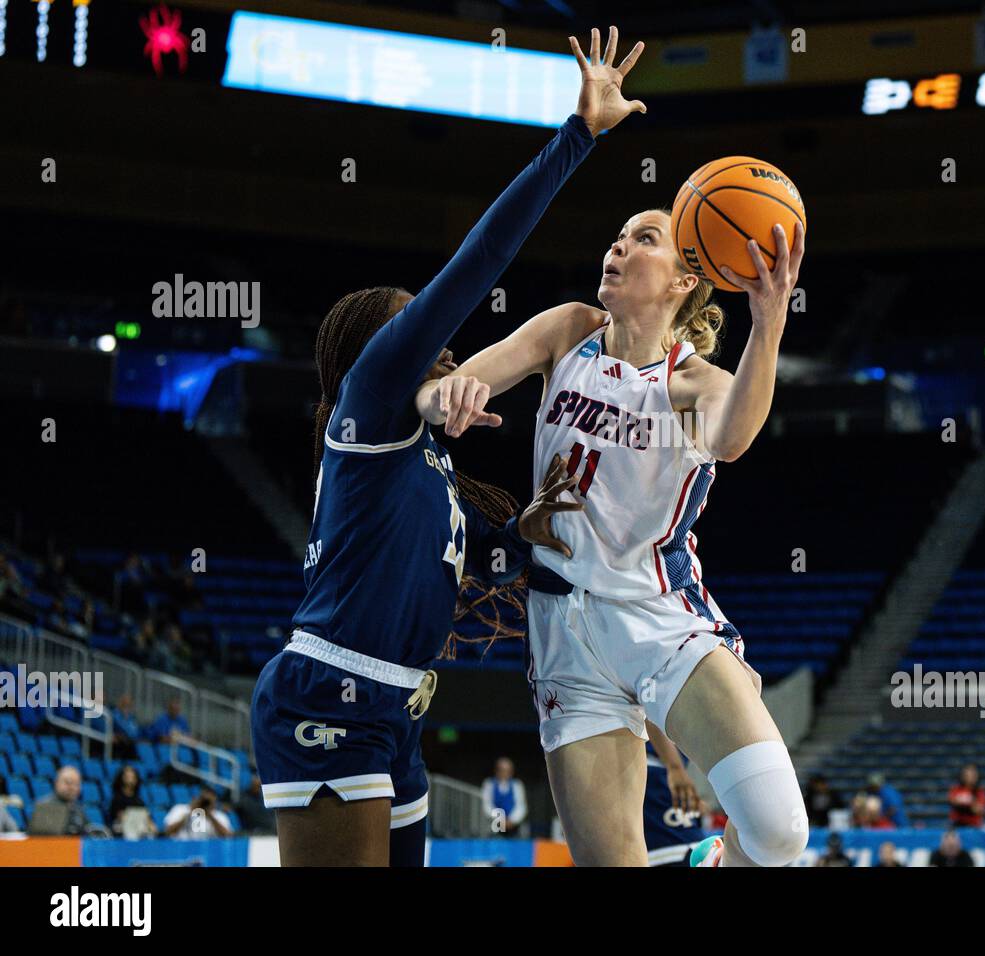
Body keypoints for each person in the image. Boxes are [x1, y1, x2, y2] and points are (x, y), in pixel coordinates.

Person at [249, 28, 646, 868]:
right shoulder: (371, 394)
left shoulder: (423, 462)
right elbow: (481, 260)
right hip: (331, 696)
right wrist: (578, 138)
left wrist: (527, 540)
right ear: (378, 344)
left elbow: (478, 570)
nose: (442, 341)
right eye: (412, 324)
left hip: (398, 711)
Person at [422, 168, 807, 868]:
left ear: (683, 280)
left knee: (779, 832)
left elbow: (731, 438)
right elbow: (451, 386)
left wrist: (770, 320)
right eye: (618, 235)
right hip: (563, 628)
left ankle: (711, 860)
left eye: (644, 238)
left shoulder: (692, 383)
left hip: (660, 618)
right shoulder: (570, 331)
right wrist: (448, 397)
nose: (620, 246)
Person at [643, 723, 705, 866]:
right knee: (681, 853)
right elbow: (646, 709)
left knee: (695, 852)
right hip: (653, 774)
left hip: (660, 775)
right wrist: (675, 767)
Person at [28, 766, 89, 836]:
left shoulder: (79, 810)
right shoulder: (44, 807)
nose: (72, 788)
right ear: (57, 783)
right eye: (68, 783)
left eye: (76, 784)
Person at [481, 757, 528, 838]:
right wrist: (499, 819)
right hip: (494, 825)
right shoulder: (489, 784)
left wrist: (512, 820)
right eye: (502, 770)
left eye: (507, 771)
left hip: (513, 827)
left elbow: (521, 806)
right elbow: (487, 805)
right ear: (496, 771)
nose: (505, 773)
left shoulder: (517, 785)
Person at [163, 786, 232, 840]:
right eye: (203, 799)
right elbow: (168, 832)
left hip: (209, 851)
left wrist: (210, 815)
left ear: (215, 801)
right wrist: (190, 812)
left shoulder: (219, 816)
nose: (205, 803)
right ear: (197, 797)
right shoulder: (180, 809)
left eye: (208, 802)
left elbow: (227, 836)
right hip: (182, 849)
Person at [107, 765, 156, 838]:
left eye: (133, 777)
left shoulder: (139, 801)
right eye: (128, 777)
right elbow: (120, 817)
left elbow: (147, 817)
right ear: (122, 778)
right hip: (122, 831)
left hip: (139, 830)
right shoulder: (117, 799)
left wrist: (152, 827)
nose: (131, 780)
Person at [948, 763, 985, 828]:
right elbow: (952, 801)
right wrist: (970, 803)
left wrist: (966, 802)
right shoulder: (956, 789)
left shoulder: (980, 791)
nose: (969, 777)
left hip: (974, 826)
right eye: (967, 775)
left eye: (972, 775)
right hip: (957, 825)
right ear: (962, 775)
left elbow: (978, 810)